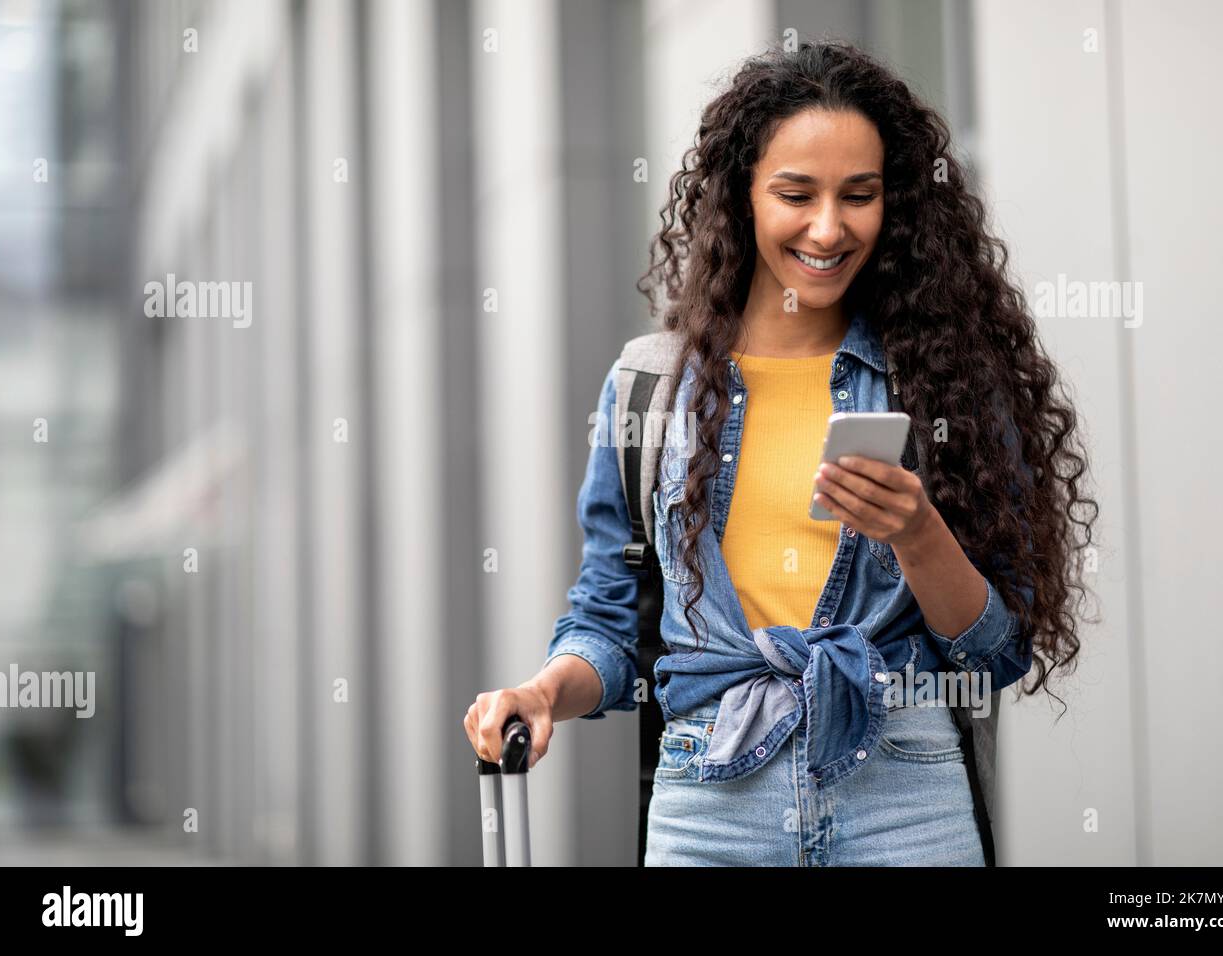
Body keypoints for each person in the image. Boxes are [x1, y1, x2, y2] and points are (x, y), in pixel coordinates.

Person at [464, 39, 1097, 866]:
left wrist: (918, 533)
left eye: (859, 195)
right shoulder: (649, 388)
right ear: (741, 196)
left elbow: (997, 651)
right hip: (709, 809)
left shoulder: (945, 379)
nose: (829, 228)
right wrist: (544, 691)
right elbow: (612, 627)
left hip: (903, 796)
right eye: (796, 193)